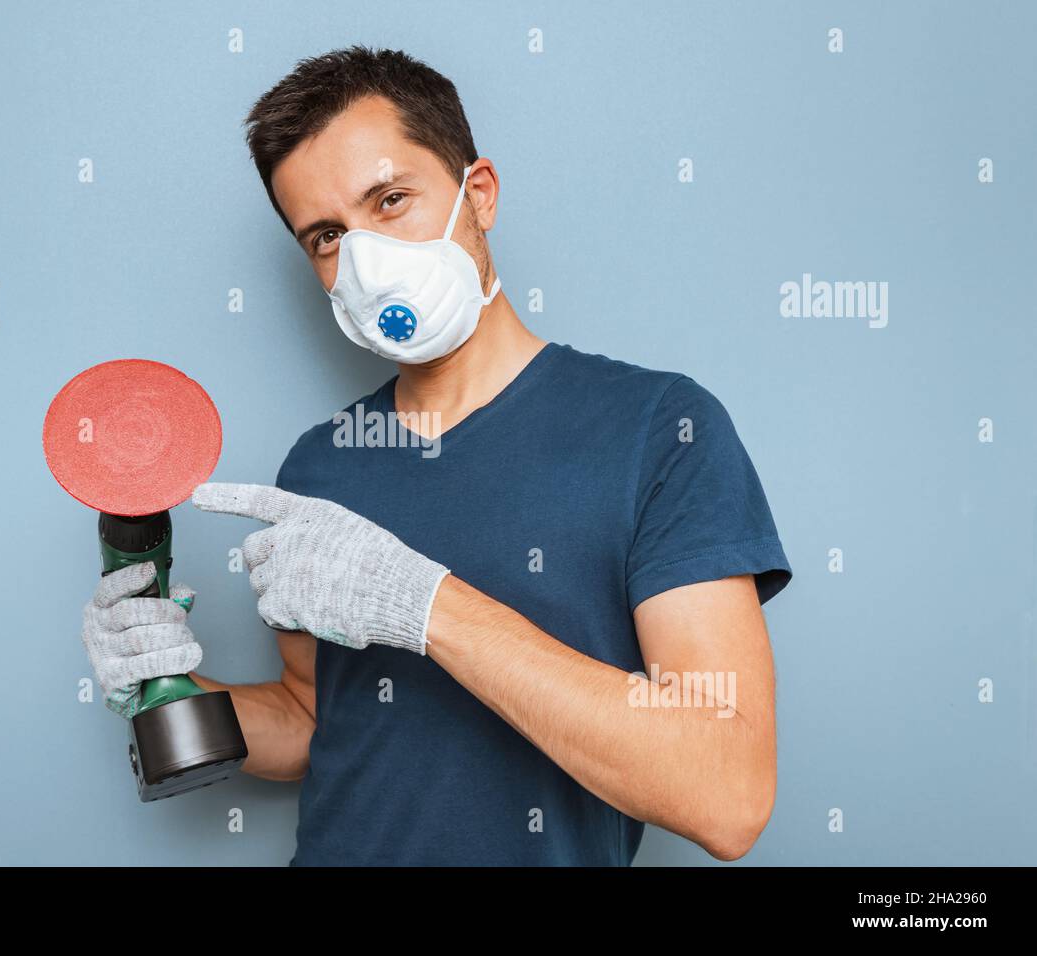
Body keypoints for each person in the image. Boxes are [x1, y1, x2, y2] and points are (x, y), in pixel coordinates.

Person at [81, 45, 792, 866]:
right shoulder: (322, 466)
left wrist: (426, 606)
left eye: (391, 200)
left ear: (477, 195)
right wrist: (165, 685)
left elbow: (728, 793)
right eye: (326, 236)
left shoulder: (661, 430)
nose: (365, 260)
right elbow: (315, 721)